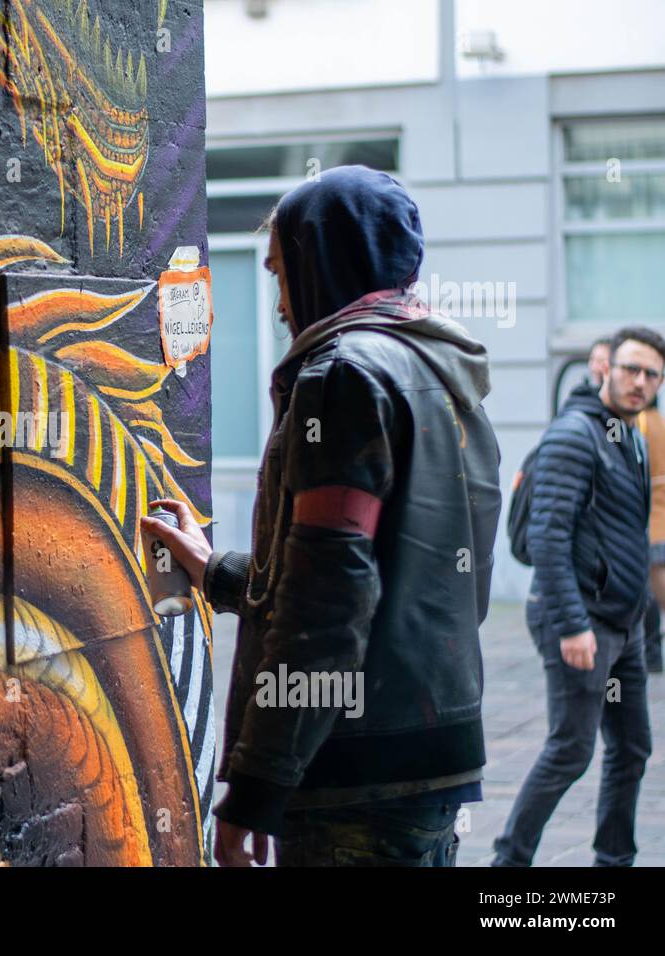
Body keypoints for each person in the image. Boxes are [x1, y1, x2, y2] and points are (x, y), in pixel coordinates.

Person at [144, 165, 502, 867]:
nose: (279, 303)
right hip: (434, 755)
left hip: (352, 776)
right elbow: (393, 574)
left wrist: (253, 787)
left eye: (281, 272)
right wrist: (213, 569)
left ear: (323, 261)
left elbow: (327, 609)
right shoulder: (441, 367)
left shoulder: (342, 376)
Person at [492, 327, 662, 867]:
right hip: (579, 620)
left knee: (631, 748)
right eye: (631, 369)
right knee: (570, 750)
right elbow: (547, 536)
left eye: (651, 374)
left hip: (621, 625)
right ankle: (509, 862)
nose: (640, 382)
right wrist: (571, 625)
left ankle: (614, 861)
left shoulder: (628, 434)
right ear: (604, 368)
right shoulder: (574, 435)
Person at [635, 395, 665, 673]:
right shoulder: (659, 420)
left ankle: (653, 648)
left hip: (652, 515)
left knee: (652, 587)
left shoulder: (643, 421)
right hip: (659, 512)